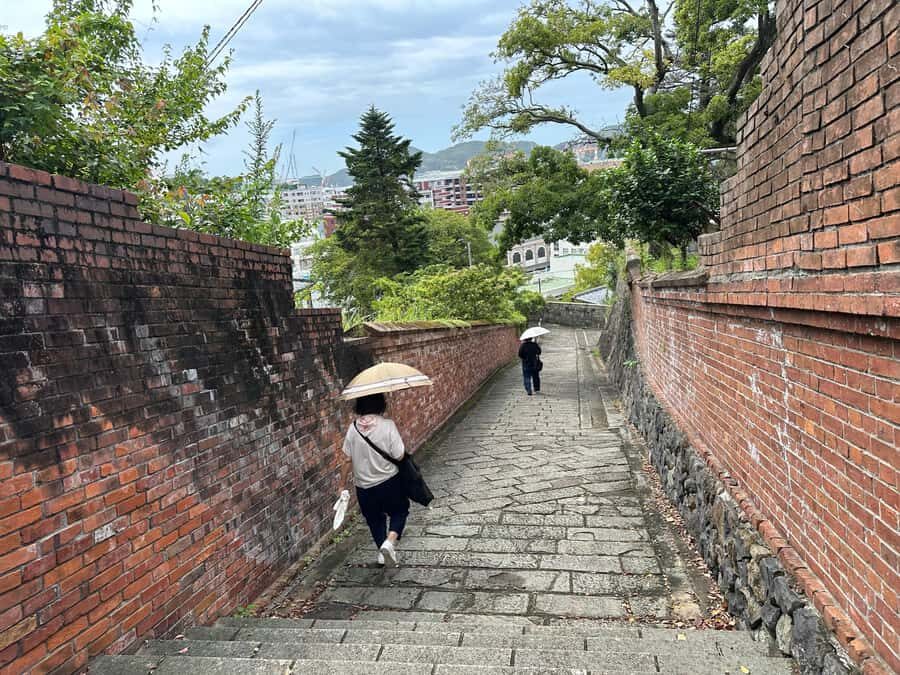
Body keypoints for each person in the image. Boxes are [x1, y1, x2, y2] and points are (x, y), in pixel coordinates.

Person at [342, 393, 409, 566]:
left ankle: (382, 551)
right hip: (389, 482)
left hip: (363, 487)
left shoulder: (353, 429)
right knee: (400, 511)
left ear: (360, 406)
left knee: (374, 520)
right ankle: (389, 542)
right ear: (380, 403)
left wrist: (342, 486)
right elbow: (399, 455)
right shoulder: (387, 425)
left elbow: (347, 459)